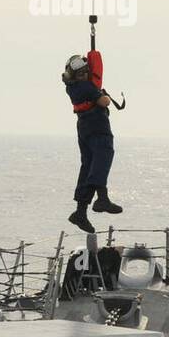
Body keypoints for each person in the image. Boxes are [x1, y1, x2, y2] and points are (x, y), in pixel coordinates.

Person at [62, 52, 122, 233]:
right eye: (82, 72)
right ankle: (102, 199)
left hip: (83, 126)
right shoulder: (87, 87)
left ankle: (80, 212)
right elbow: (103, 102)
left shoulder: (71, 87)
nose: (84, 74)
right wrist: (105, 96)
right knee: (103, 156)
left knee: (88, 166)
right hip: (97, 124)